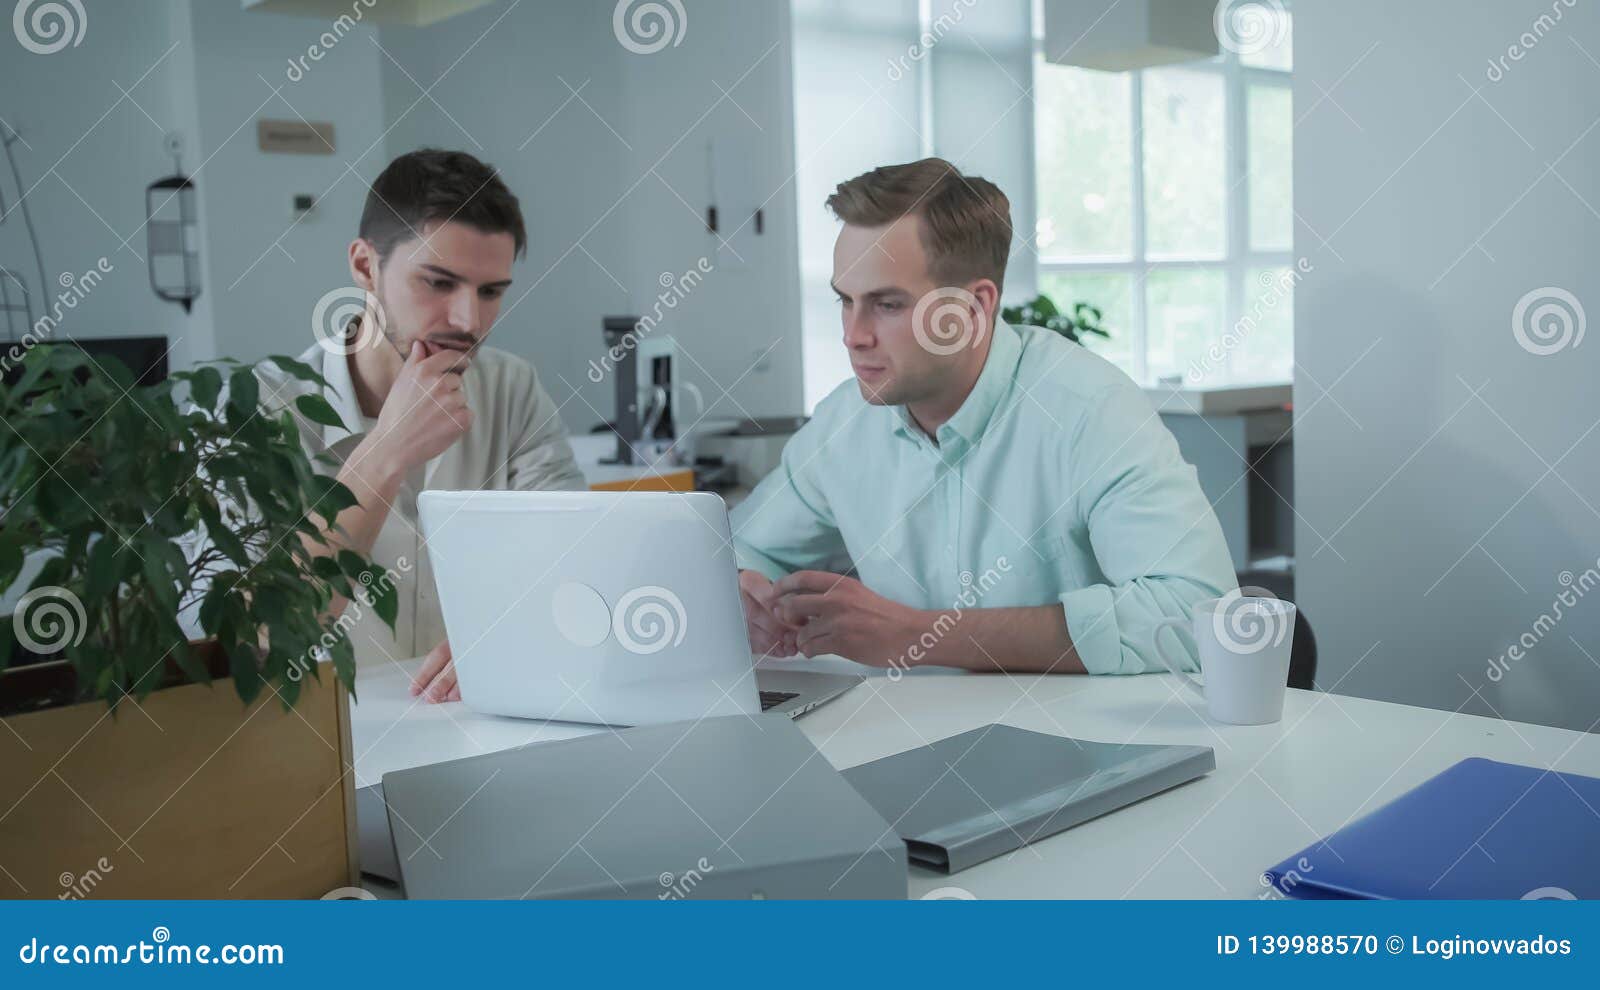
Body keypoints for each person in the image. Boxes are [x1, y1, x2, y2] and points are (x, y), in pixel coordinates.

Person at [730, 158, 1235, 675]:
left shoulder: (1090, 411)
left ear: (971, 309)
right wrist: (747, 591)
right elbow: (743, 548)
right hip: (905, 734)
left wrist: (916, 636)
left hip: (1075, 742)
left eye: (886, 304)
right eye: (846, 301)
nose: (853, 335)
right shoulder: (845, 423)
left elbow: (1198, 618)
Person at [257, 148, 586, 701]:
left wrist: (513, 633)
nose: (469, 321)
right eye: (438, 283)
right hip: (317, 749)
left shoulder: (512, 388)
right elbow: (267, 637)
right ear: (365, 266)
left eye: (490, 292)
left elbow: (575, 570)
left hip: (474, 733)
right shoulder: (264, 408)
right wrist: (385, 453)